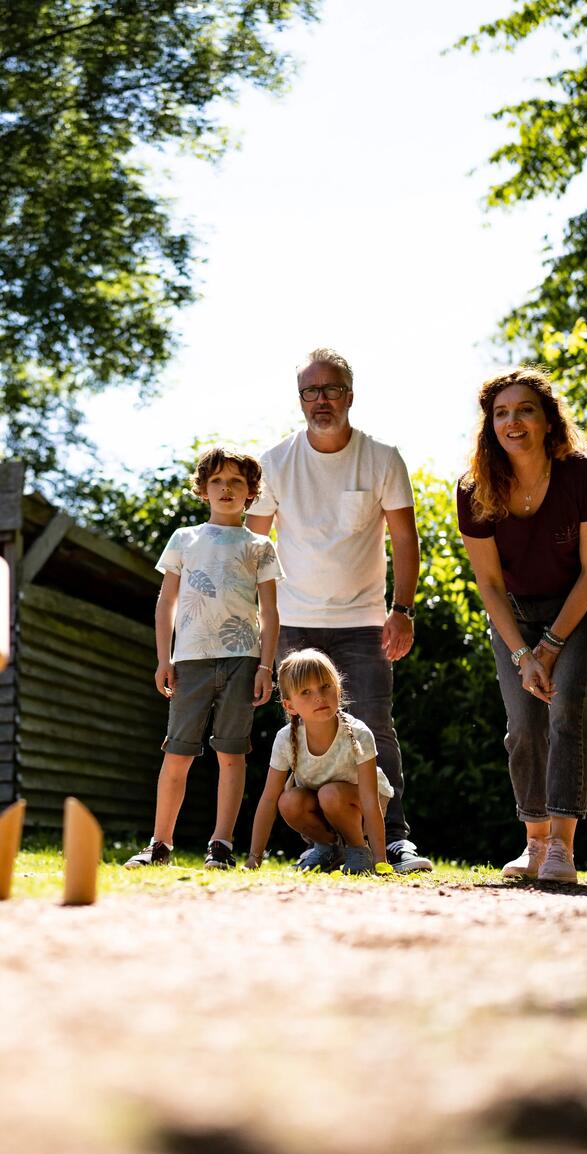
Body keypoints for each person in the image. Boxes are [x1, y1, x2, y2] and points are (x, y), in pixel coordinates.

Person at [245, 348, 431, 872]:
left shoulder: (382, 457)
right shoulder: (275, 463)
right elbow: (254, 550)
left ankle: (394, 839)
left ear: (350, 395)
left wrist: (403, 609)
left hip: (364, 620)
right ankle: (327, 841)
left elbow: (404, 539)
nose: (320, 400)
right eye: (310, 391)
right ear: (300, 399)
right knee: (299, 730)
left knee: (374, 723)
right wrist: (259, 624)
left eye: (330, 390)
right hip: (295, 623)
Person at [455, 366, 587, 883]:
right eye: (501, 413)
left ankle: (561, 850)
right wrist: (526, 654)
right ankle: (534, 841)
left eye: (525, 410)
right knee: (524, 723)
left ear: (548, 420)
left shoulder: (583, 475)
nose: (513, 421)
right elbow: (490, 585)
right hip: (516, 615)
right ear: (490, 426)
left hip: (582, 604)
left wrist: (551, 647)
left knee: (568, 703)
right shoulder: (475, 488)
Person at [127, 447, 282, 869]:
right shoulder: (184, 539)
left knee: (231, 755)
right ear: (203, 489)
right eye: (217, 481)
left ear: (251, 492)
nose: (226, 488)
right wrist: (164, 659)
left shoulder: (261, 546)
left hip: (243, 661)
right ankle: (159, 845)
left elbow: (269, 613)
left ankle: (222, 845)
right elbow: (166, 605)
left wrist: (266, 667)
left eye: (236, 481)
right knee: (176, 754)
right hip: (190, 661)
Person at [243, 649, 388, 874]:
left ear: (338, 689)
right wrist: (254, 858)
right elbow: (269, 799)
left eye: (325, 687)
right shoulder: (285, 739)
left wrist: (381, 860)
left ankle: (360, 850)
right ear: (289, 705)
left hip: (361, 808)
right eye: (306, 692)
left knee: (329, 794)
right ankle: (329, 848)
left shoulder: (359, 733)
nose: (318, 697)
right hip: (322, 806)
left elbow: (370, 798)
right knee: (288, 801)